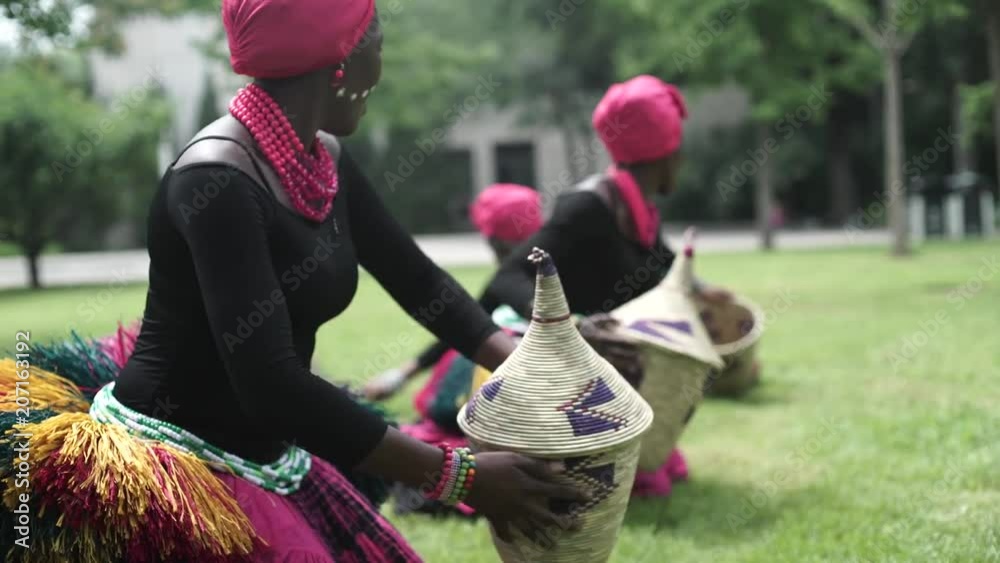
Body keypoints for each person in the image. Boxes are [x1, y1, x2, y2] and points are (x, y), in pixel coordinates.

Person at [0, 3, 586, 562]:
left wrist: (536, 368)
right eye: (377, 44)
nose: (380, 69)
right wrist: (461, 476)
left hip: (273, 449)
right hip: (184, 462)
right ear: (340, 61)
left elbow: (420, 283)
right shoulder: (217, 182)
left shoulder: (322, 156)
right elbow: (272, 385)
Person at [480, 75, 734, 496]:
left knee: (667, 469)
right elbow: (509, 276)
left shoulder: (640, 213)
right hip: (576, 387)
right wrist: (568, 325)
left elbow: (666, 267)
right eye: (678, 150)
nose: (683, 160)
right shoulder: (588, 207)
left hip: (617, 385)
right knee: (650, 484)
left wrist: (704, 291)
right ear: (662, 155)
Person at [363, 183, 542, 401]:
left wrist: (399, 377)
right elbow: (466, 327)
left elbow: (467, 328)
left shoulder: (504, 284)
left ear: (494, 240)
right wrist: (399, 376)